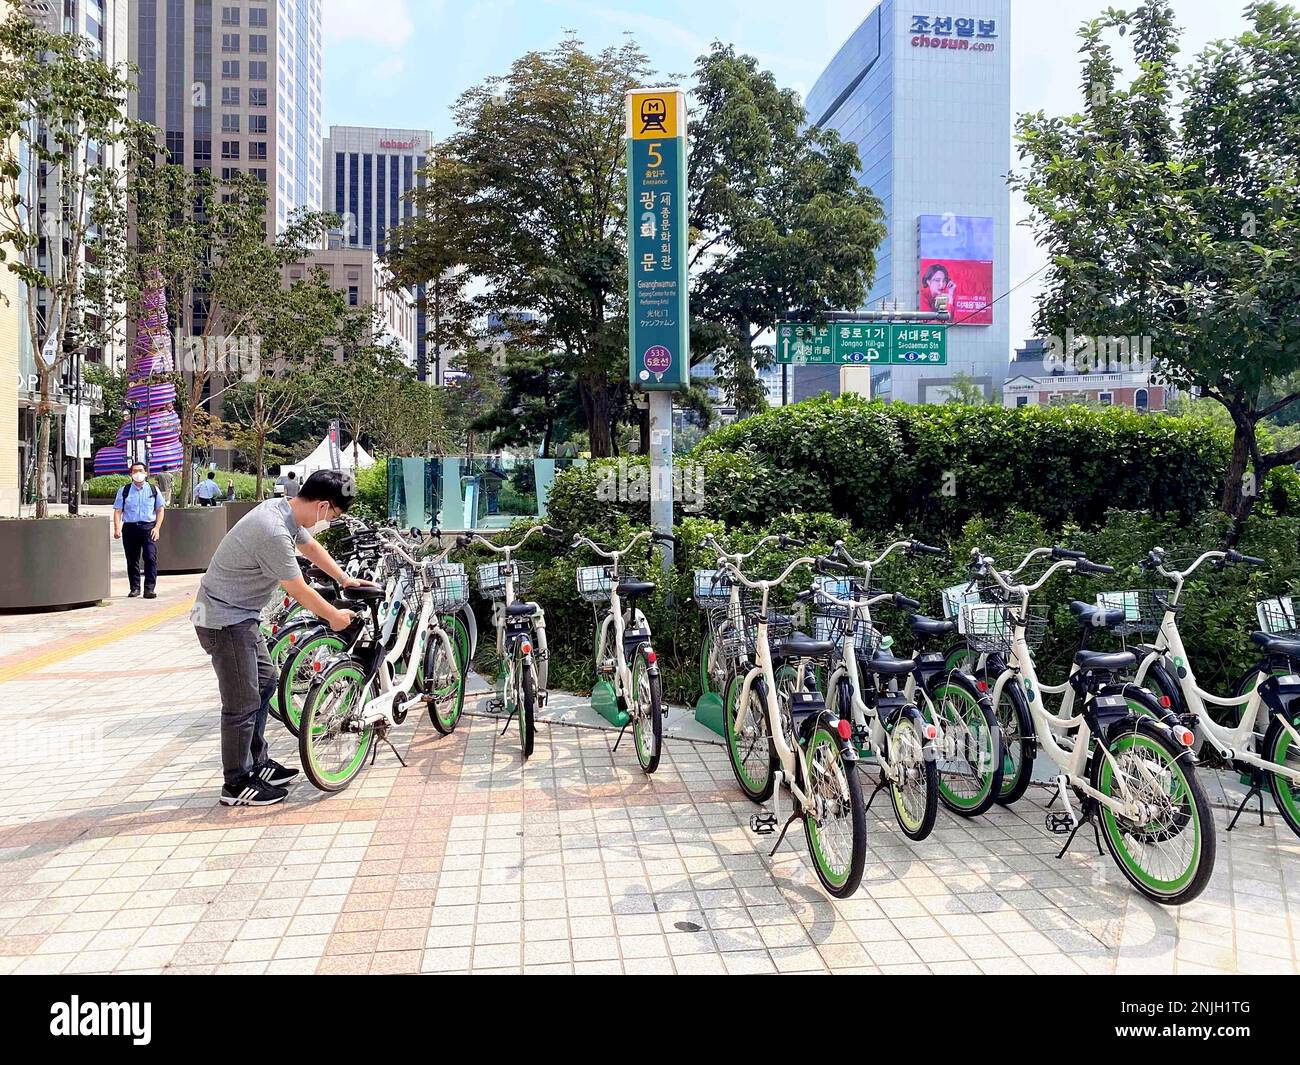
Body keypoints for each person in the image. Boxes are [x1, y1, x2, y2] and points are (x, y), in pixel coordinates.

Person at [193, 470, 366, 807]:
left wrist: (344, 578)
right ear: (323, 506)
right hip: (223, 621)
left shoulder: (284, 511)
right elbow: (297, 588)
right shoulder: (273, 530)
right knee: (242, 702)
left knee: (267, 683)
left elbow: (311, 547)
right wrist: (334, 617)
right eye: (334, 514)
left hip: (238, 616)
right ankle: (237, 783)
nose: (330, 520)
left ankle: (258, 763)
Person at [113, 461, 166, 599]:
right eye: (135, 471)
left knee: (150, 557)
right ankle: (134, 588)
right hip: (130, 528)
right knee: (132, 559)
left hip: (148, 528)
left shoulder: (153, 490)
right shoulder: (124, 491)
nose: (138, 473)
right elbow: (118, 511)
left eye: (140, 470)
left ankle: (149, 589)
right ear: (131, 474)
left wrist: (157, 527)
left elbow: (160, 510)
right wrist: (117, 528)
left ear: (146, 473)